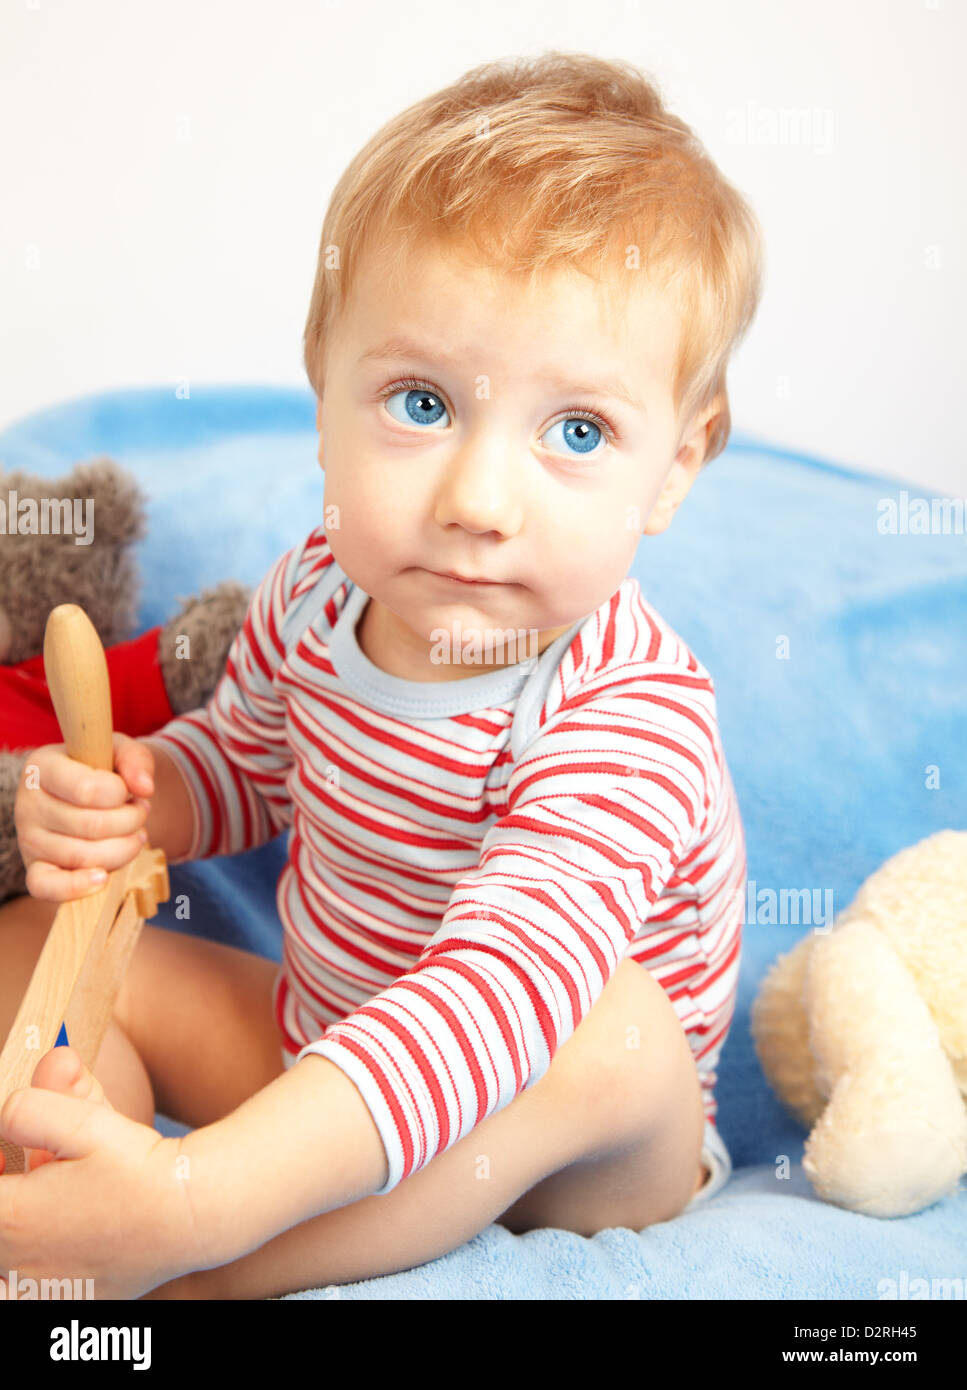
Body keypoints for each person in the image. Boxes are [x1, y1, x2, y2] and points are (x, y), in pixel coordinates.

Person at [0, 50, 763, 1299]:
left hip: (548, 1155)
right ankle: (82, 1182)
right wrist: (142, 795)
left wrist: (209, 1197)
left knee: (610, 1026)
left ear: (675, 466)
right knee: (35, 938)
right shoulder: (317, 587)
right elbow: (247, 762)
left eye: (576, 432)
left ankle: (196, 1254)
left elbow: (490, 1001)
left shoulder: (629, 715)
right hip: (325, 1057)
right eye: (419, 402)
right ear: (321, 397)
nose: (476, 500)